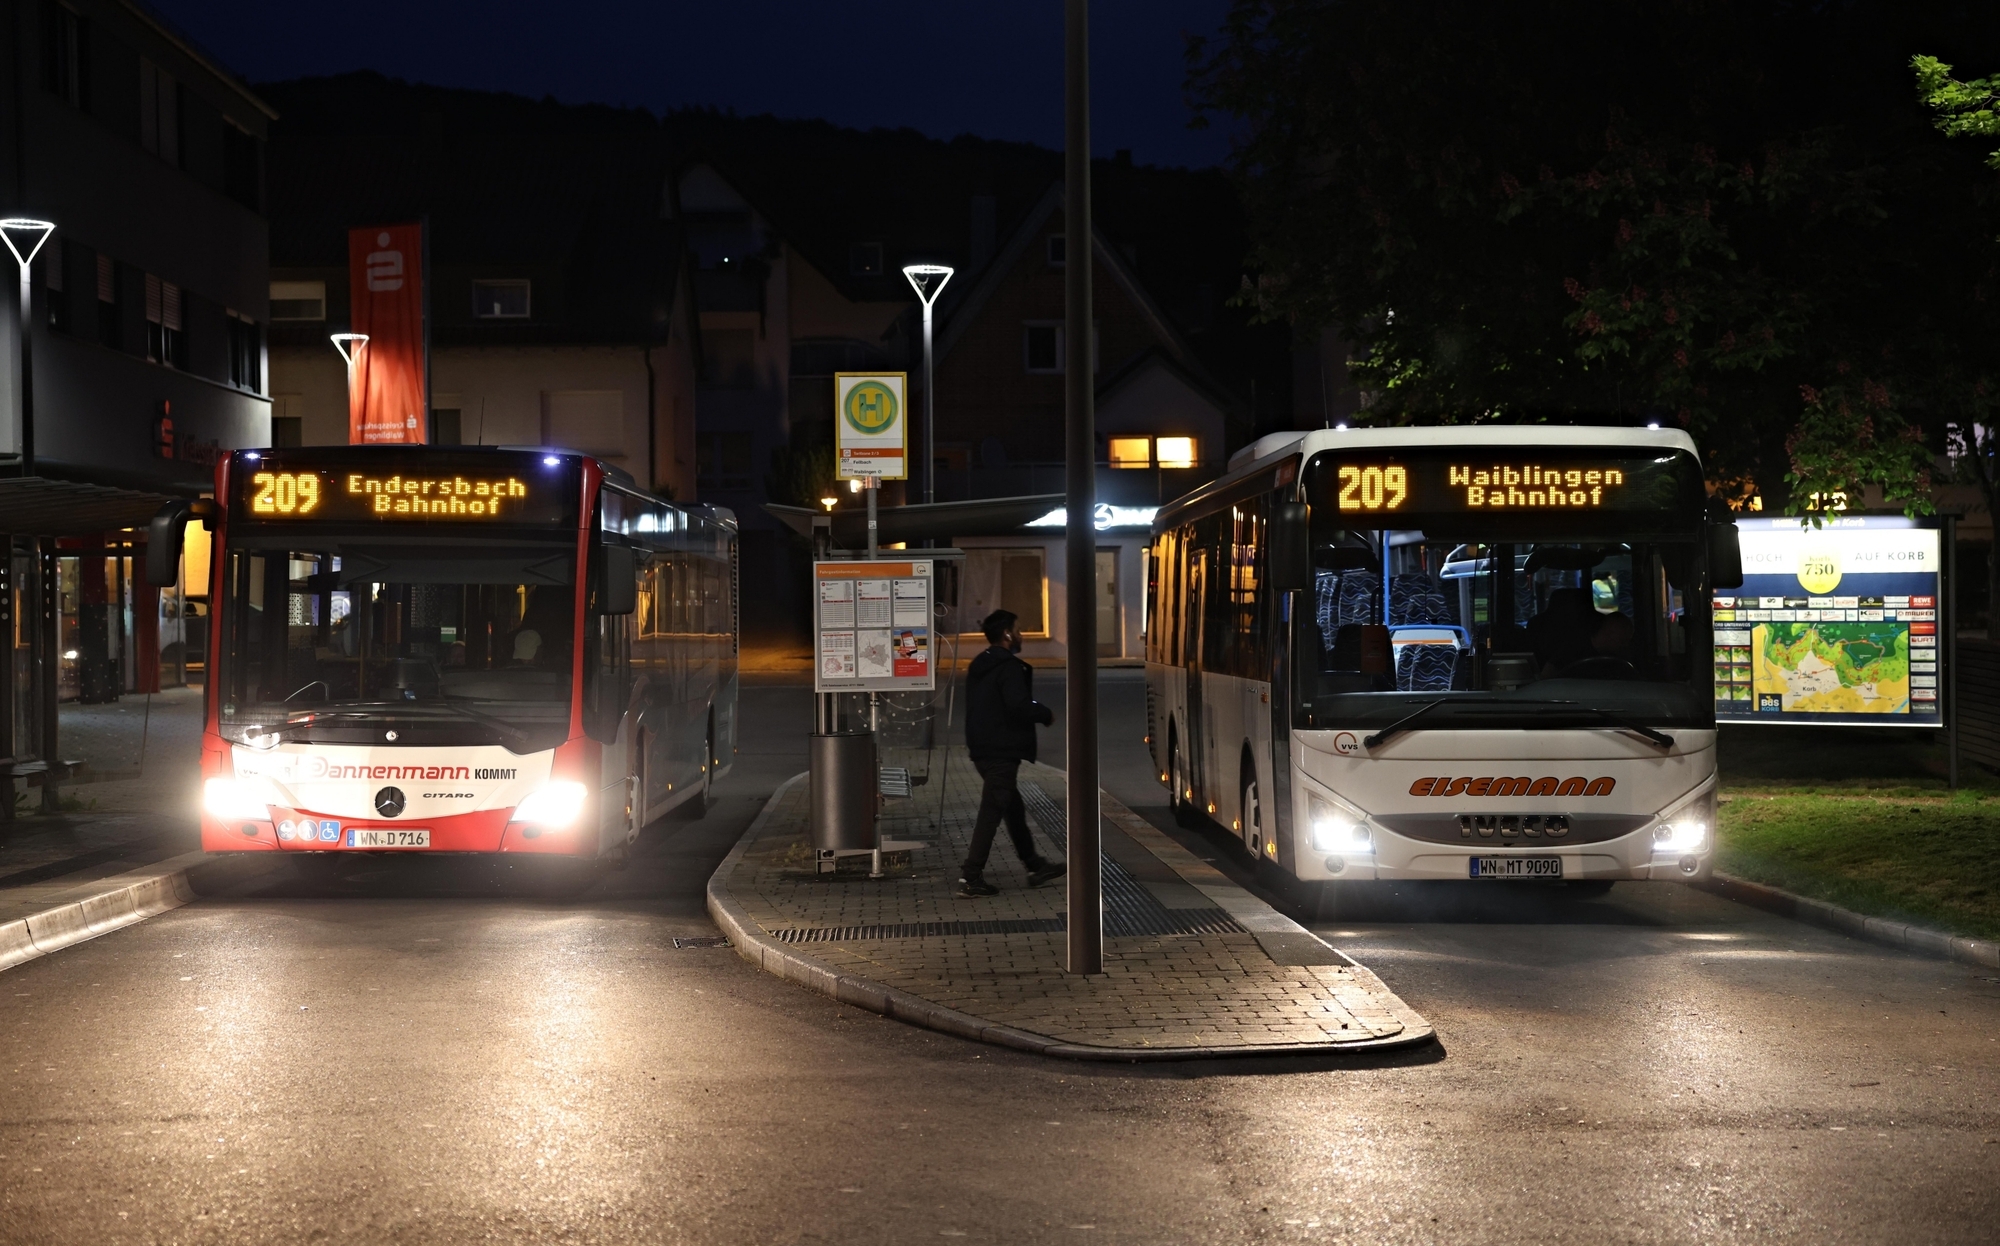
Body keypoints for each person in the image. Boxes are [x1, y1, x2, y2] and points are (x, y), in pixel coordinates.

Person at [958, 609, 1066, 898]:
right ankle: (971, 876)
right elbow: (1018, 705)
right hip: (1001, 750)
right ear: (1007, 634)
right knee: (992, 809)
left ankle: (1034, 865)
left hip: (982, 748)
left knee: (1012, 807)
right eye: (1018, 630)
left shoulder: (980, 663)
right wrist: (1044, 713)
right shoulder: (1008, 667)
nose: (1021, 635)